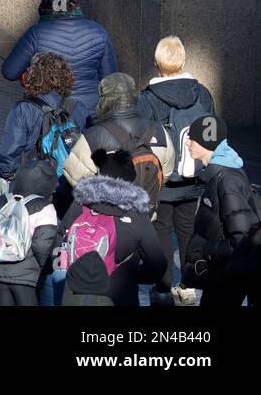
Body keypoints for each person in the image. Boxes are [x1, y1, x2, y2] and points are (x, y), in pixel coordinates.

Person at [137, 36, 218, 305]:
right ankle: (188, 285)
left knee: (161, 226)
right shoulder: (202, 93)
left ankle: (163, 286)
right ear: (183, 61)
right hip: (193, 173)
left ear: (157, 63)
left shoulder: (148, 97)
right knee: (186, 228)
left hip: (163, 176)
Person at [2, 0, 117, 129]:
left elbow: (9, 72)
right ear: (74, 2)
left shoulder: (36, 33)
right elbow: (110, 79)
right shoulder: (98, 32)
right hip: (89, 115)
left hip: (47, 114)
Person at [58, 149, 166, 306]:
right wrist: (134, 276)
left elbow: (59, 240)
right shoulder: (136, 214)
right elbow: (158, 264)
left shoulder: (79, 204)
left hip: (74, 294)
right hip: (120, 296)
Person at [182, 115, 260, 306]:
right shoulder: (219, 174)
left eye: (192, 138)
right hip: (220, 273)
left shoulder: (227, 181)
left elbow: (242, 238)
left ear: (206, 142)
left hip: (226, 275)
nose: (187, 143)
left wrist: (209, 253)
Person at [61, 72, 172, 190]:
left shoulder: (92, 136)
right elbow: (166, 173)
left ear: (104, 101)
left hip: (107, 206)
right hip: (146, 204)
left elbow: (76, 178)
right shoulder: (159, 130)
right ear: (135, 97)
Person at [0, 160, 59, 306]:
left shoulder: (0, 201)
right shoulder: (45, 207)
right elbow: (42, 244)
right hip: (26, 275)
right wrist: (45, 267)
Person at [0, 51, 78, 191]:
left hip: (31, 180)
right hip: (66, 183)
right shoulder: (77, 107)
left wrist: (6, 175)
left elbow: (10, 148)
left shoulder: (24, 108)